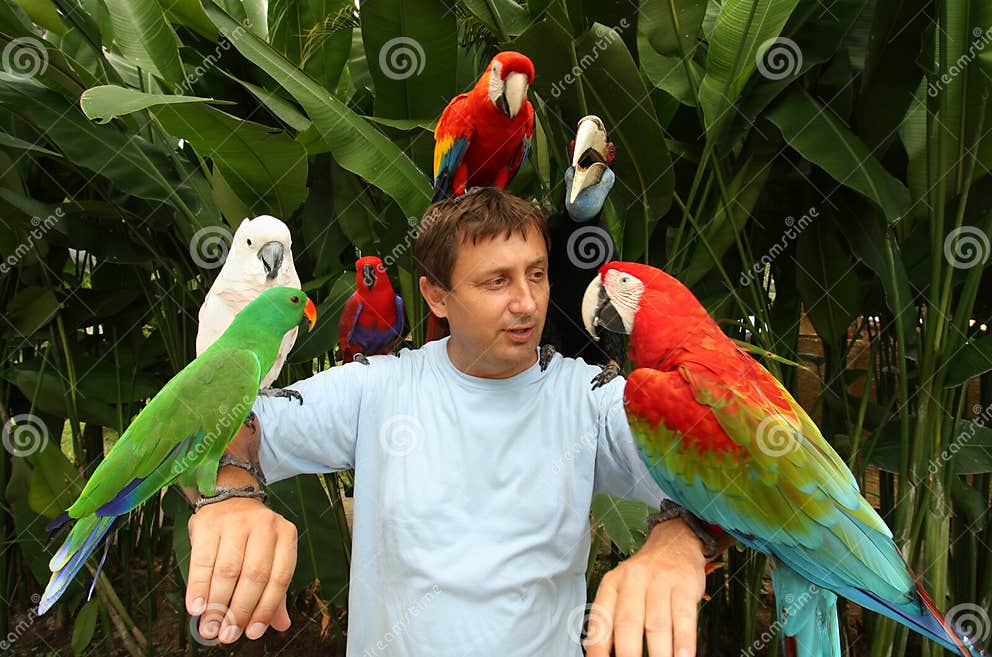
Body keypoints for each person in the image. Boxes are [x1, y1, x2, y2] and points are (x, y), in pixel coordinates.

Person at [183, 188, 708, 657]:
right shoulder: (375, 389)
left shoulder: (593, 399)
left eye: (537, 274)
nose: (527, 303)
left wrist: (679, 539)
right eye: (497, 281)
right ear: (436, 295)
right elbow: (211, 428)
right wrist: (230, 495)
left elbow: (733, 476)